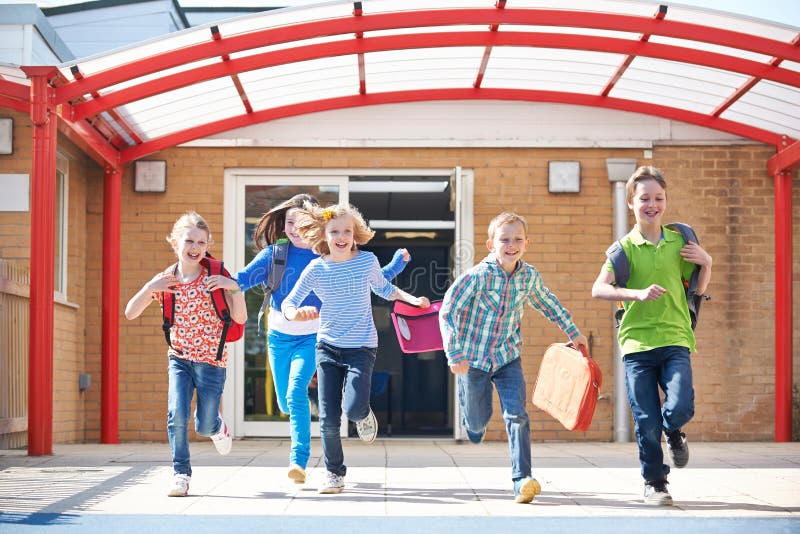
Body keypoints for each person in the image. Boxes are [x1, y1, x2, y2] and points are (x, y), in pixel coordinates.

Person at [234, 194, 410, 485]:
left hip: (319, 335)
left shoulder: (327, 253)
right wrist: (209, 278)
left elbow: (372, 280)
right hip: (279, 334)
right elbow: (242, 279)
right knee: (286, 403)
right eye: (290, 222)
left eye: (301, 223)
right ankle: (326, 440)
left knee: (299, 395)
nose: (294, 228)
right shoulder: (276, 254)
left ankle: (300, 462)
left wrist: (396, 267)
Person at [439, 212, 588, 504]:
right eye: (504, 239)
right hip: (474, 360)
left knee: (517, 415)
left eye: (517, 239)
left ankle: (522, 480)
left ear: (527, 243)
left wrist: (573, 330)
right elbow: (448, 311)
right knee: (478, 422)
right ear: (490, 244)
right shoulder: (477, 276)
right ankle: (472, 422)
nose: (511, 244)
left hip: (508, 357)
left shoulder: (529, 276)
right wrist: (454, 352)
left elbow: (547, 302)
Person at [281, 203, 430, 494]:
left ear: (355, 233)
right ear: (324, 234)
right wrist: (293, 314)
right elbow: (290, 301)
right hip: (327, 348)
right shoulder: (317, 268)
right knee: (328, 418)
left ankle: (362, 413)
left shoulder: (367, 261)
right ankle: (334, 473)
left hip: (361, 346)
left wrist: (413, 300)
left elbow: (385, 289)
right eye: (335, 231)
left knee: (353, 408)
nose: (341, 236)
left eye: (347, 231)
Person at [591, 166, 712, 506]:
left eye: (658, 198)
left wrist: (708, 263)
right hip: (637, 344)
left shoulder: (680, 241)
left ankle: (673, 431)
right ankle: (655, 482)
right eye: (644, 198)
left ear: (665, 201)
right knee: (645, 422)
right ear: (632, 202)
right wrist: (636, 294)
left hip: (676, 337)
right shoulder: (623, 249)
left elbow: (698, 290)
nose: (652, 204)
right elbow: (598, 289)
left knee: (680, 404)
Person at [125, 211, 246, 497]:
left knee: (204, 424)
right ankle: (181, 473)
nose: (194, 248)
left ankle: (217, 426)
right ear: (175, 243)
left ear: (207, 245)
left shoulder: (217, 274)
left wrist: (235, 287)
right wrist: (149, 288)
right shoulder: (165, 280)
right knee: (176, 414)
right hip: (179, 358)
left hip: (212, 361)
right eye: (189, 241)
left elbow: (240, 318)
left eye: (201, 242)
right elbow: (130, 313)